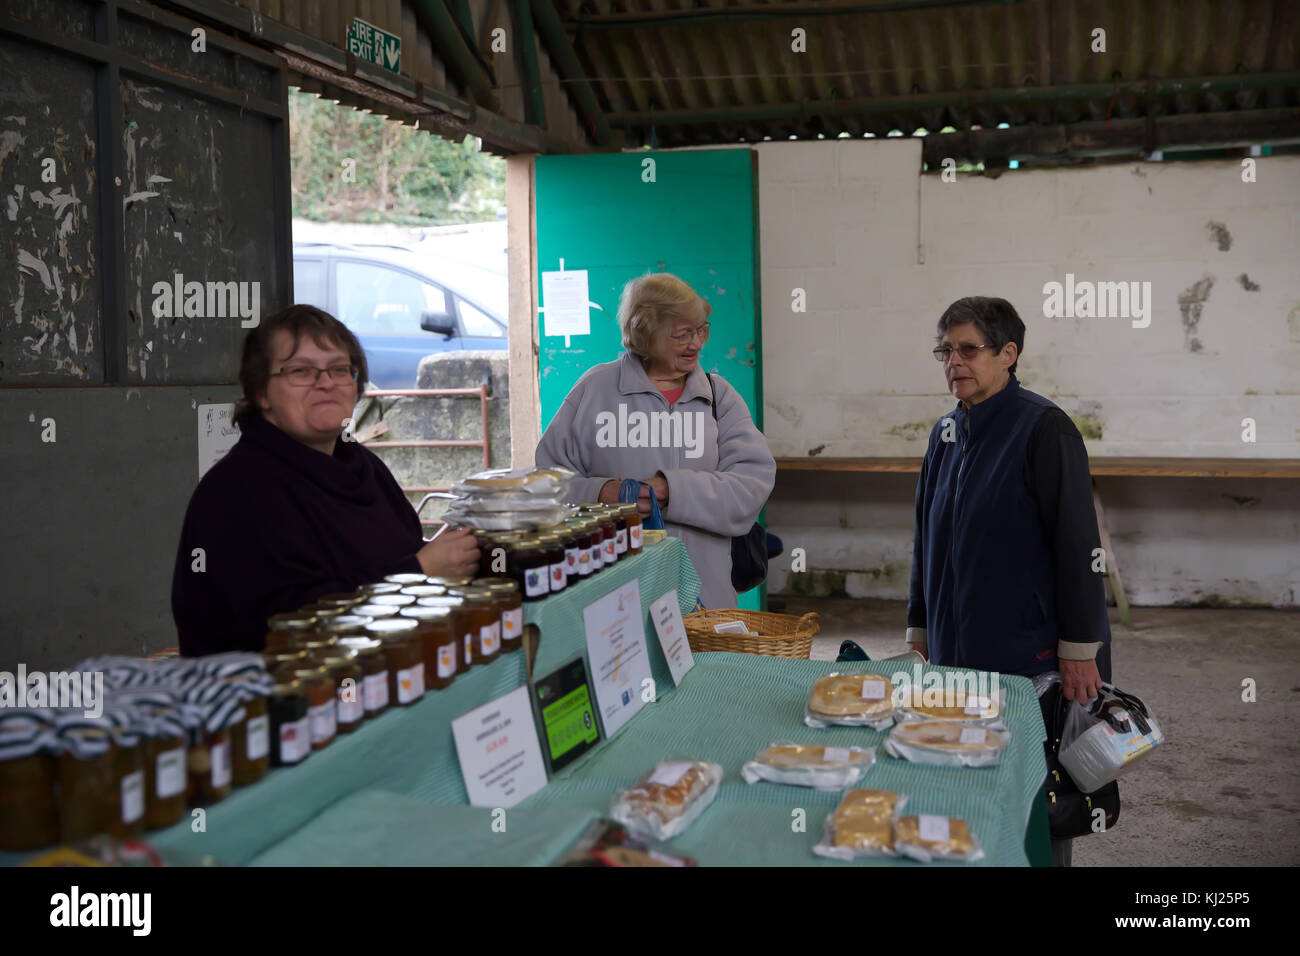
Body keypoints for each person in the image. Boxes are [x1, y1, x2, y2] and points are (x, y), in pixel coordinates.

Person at [905, 296, 1113, 867]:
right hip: (956, 650)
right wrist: (919, 625)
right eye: (944, 351)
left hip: (1031, 658)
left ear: (1008, 353)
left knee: (1037, 796)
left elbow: (1079, 549)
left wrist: (1079, 648)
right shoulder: (945, 433)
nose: (954, 361)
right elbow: (926, 535)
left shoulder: (1045, 430)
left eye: (968, 349)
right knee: (966, 780)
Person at [171, 305, 479, 656]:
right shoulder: (235, 492)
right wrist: (418, 572)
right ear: (261, 393)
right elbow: (285, 622)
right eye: (301, 370)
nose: (326, 382)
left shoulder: (363, 465)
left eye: (339, 369)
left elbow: (401, 551)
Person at [536, 273, 775, 609]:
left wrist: (668, 491)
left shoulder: (719, 397)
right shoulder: (595, 390)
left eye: (701, 330)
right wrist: (600, 494)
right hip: (611, 601)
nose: (697, 343)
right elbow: (547, 486)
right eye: (683, 334)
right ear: (646, 333)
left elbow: (750, 486)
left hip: (705, 600)